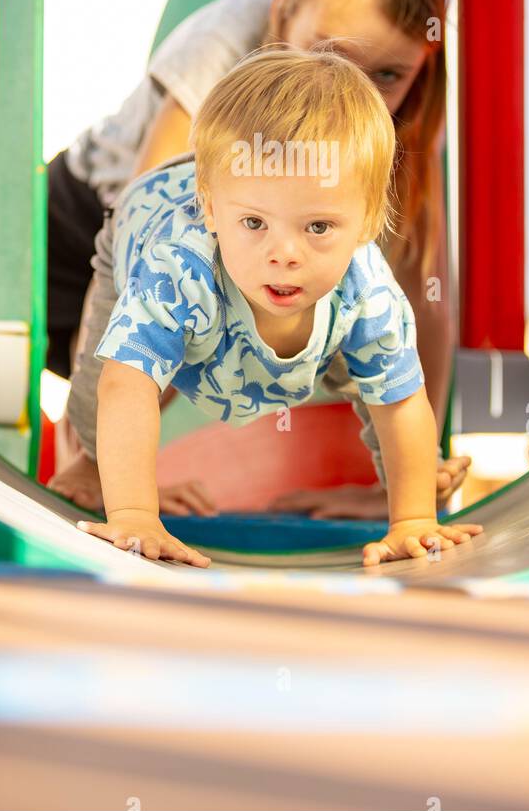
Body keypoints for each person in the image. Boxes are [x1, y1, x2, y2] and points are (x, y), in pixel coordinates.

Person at [48, 0, 467, 514]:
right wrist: (114, 485)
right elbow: (155, 241)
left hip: (252, 238)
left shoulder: (386, 126)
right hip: (93, 223)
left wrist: (400, 489)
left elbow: (422, 292)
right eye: (331, 53)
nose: (349, 92)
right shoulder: (227, 39)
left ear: (421, 68)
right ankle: (89, 464)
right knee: (180, 292)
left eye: (387, 73)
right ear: (281, 11)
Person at [72, 48, 483, 567]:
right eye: (255, 224)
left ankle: (409, 480)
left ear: (368, 221)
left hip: (310, 309)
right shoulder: (176, 266)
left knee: (374, 379)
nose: (284, 253)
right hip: (141, 220)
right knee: (102, 382)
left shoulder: (366, 287)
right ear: (212, 209)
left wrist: (414, 520)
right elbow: (127, 384)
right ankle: (88, 465)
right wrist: (134, 513)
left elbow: (401, 401)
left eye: (317, 227)